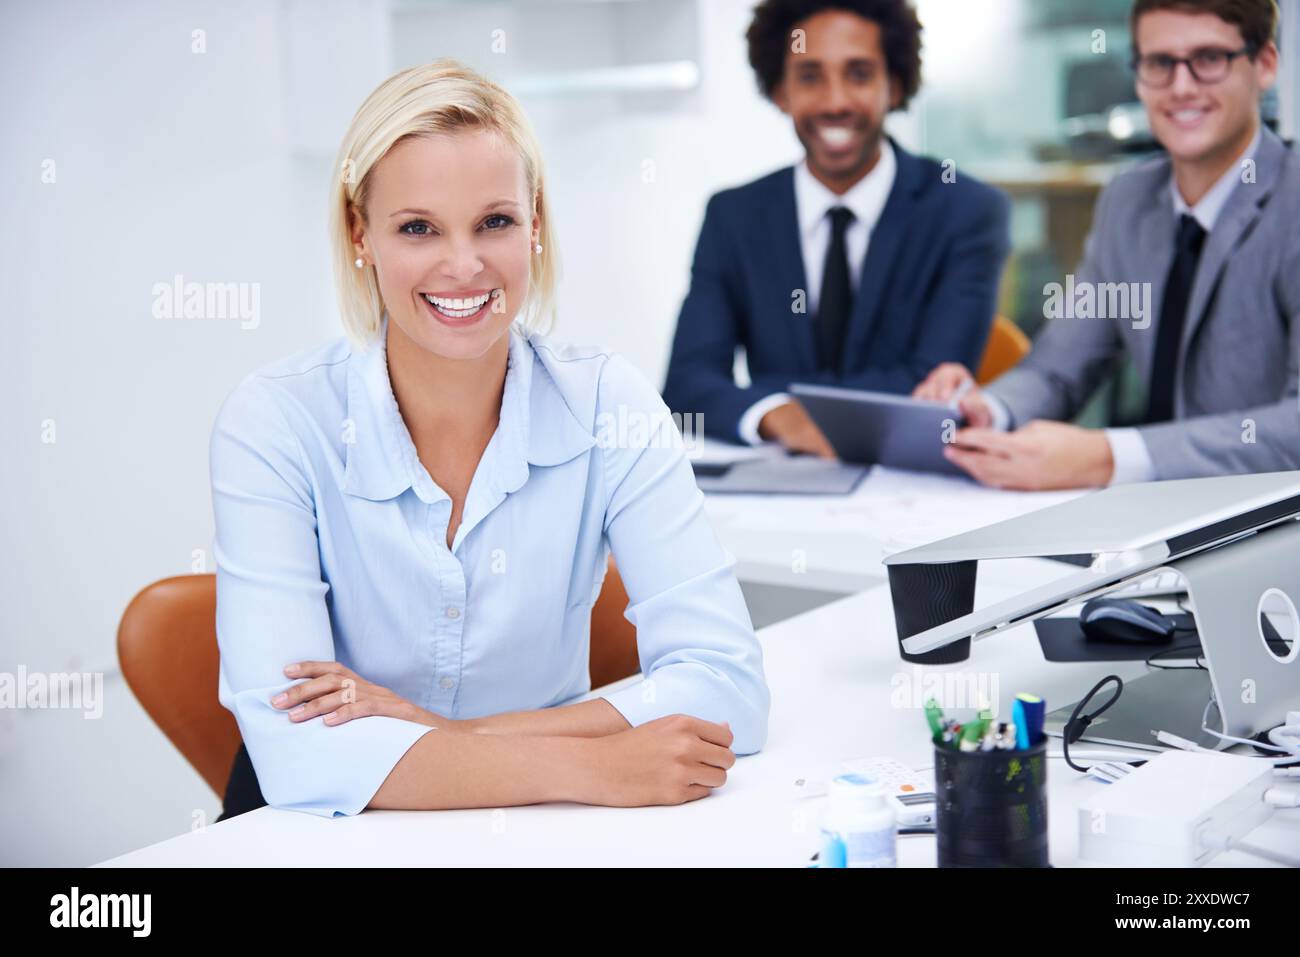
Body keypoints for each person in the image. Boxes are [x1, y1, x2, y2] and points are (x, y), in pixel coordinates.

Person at [210, 60, 770, 819]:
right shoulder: (277, 421)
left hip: (538, 831)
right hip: (332, 833)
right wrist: (594, 767)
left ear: (536, 226)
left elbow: (727, 686)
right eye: (418, 228)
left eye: (495, 222)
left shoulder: (609, 402)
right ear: (359, 234)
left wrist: (441, 735)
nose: (465, 265)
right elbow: (299, 752)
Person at [914, 0, 1300, 489]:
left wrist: (1110, 456)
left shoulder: (1292, 203)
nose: (1181, 87)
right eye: (1160, 63)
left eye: (1209, 59)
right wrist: (988, 409)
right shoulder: (1128, 201)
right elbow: (1059, 367)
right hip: (1150, 524)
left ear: (1264, 64)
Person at [662, 0, 1010, 456]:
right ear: (780, 90)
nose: (835, 102)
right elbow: (687, 385)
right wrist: (774, 415)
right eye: (810, 76)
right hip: (780, 485)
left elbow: (934, 383)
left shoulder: (967, 211)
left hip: (916, 482)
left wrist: (780, 397)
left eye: (859, 73)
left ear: (896, 86)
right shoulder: (734, 216)